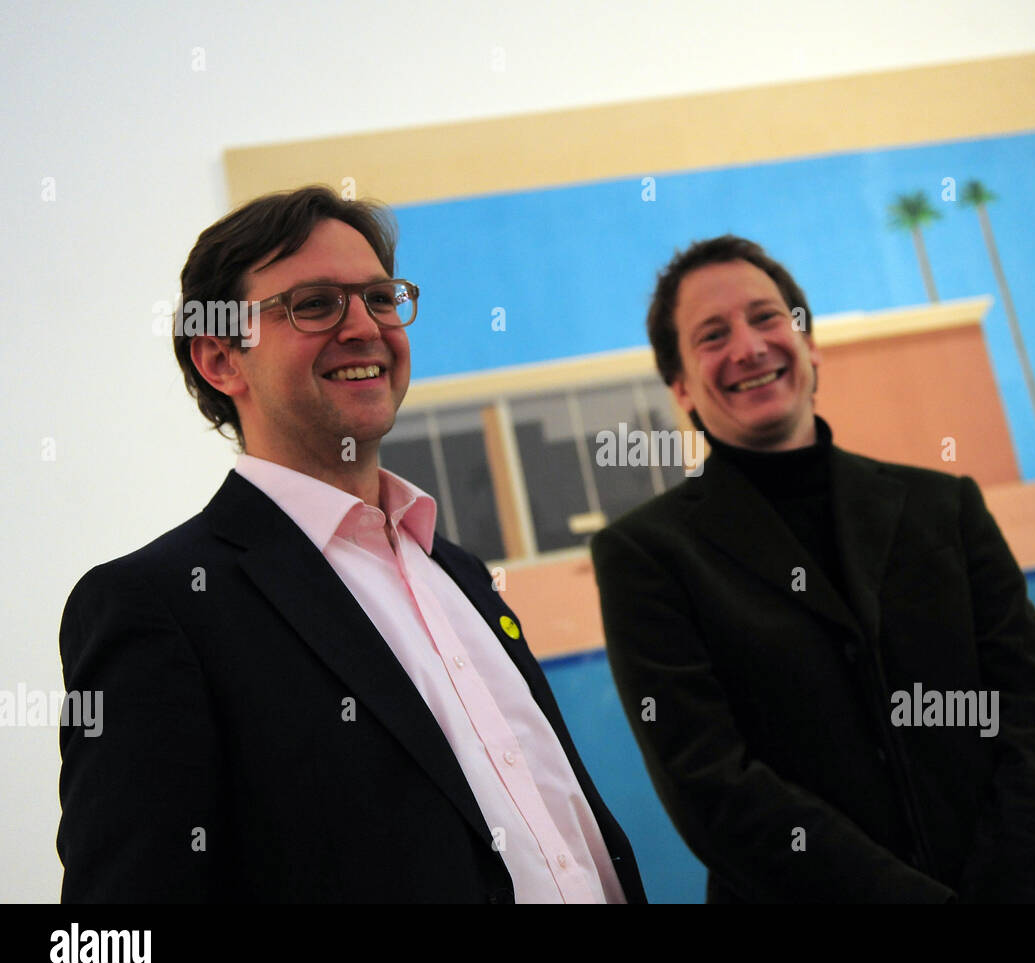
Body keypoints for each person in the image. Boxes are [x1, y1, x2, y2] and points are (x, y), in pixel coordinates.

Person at [58, 186, 644, 904]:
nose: (365, 326)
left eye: (380, 297)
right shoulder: (161, 607)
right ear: (219, 359)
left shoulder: (456, 571)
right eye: (314, 304)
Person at [590, 235, 1035, 903]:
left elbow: (1034, 723)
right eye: (712, 334)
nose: (748, 346)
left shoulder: (948, 508)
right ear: (680, 385)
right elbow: (711, 783)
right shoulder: (645, 555)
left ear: (810, 343)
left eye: (767, 317)